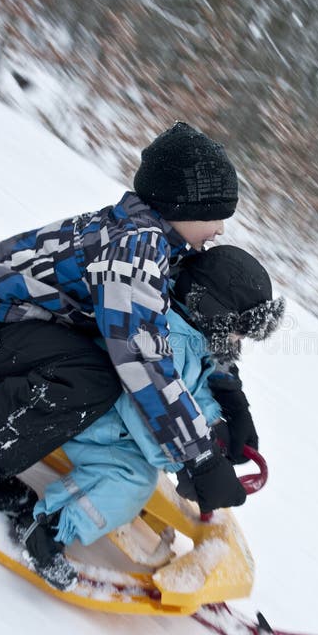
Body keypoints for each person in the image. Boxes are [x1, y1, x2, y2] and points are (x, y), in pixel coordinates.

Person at [0, 123, 255, 573]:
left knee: (97, 371)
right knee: (92, 379)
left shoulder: (162, 240)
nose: (221, 228)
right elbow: (145, 363)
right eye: (215, 215)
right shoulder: (134, 254)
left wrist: (228, 393)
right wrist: (198, 457)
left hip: (21, 314)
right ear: (182, 206)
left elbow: (192, 321)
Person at [18, 245, 285, 588]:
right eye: (239, 330)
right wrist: (186, 462)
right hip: (102, 422)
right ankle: (48, 529)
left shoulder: (190, 333)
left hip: (121, 419)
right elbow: (145, 413)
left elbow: (189, 392)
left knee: (145, 469)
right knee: (133, 478)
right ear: (213, 311)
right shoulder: (170, 338)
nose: (239, 340)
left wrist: (214, 427)